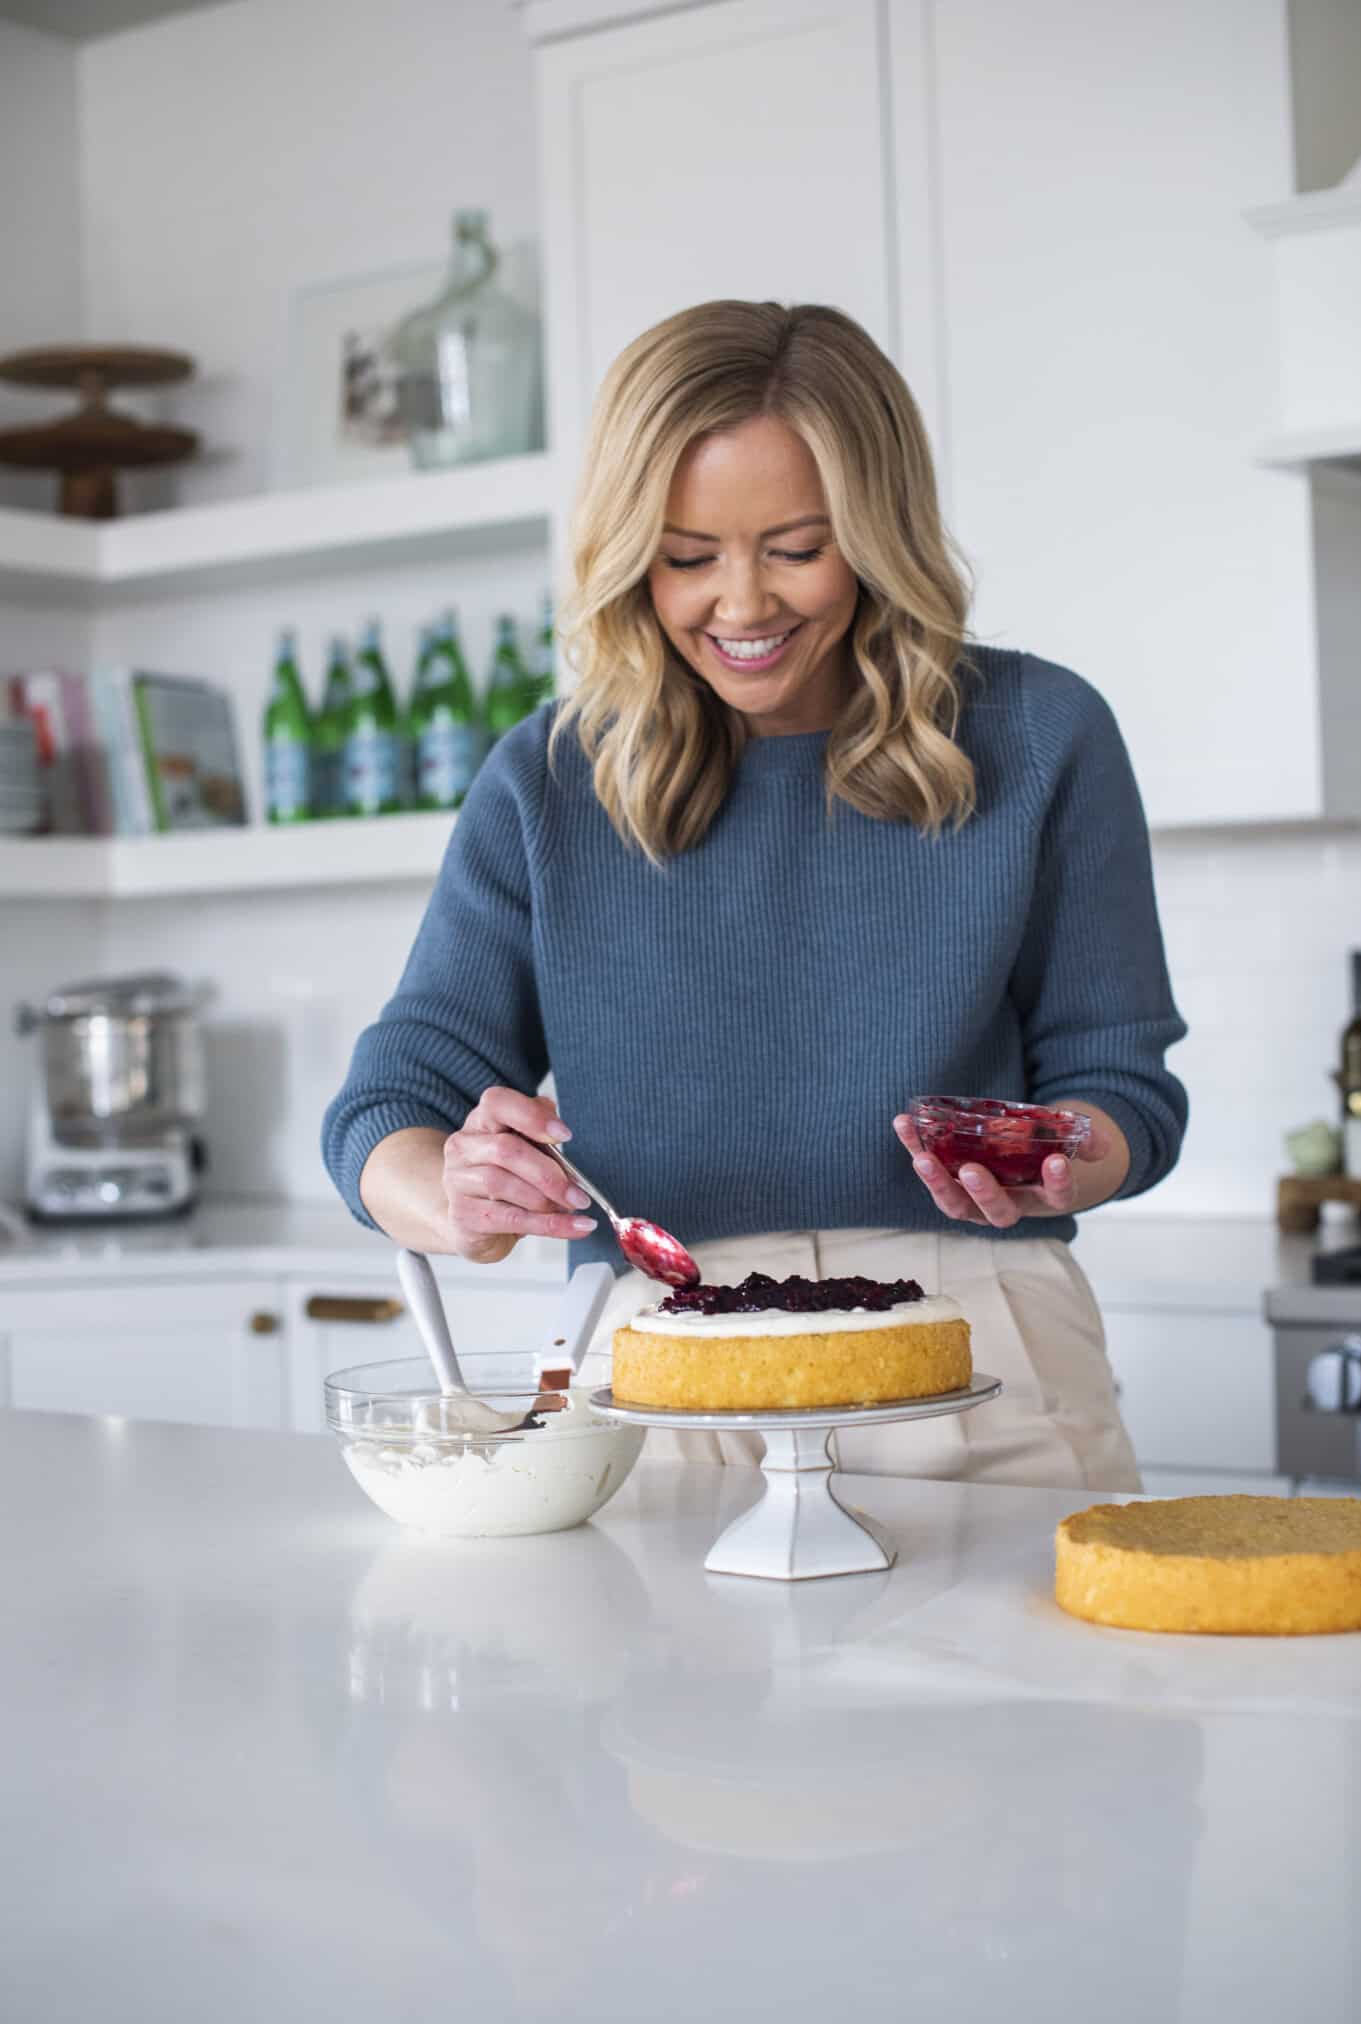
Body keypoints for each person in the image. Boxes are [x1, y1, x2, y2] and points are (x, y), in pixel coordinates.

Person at [322, 300, 1187, 1490]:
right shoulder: (549, 778)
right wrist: (457, 1195)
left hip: (970, 1333)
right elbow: (390, 1101)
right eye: (686, 556)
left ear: (878, 531)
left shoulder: (1040, 735)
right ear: (630, 552)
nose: (739, 604)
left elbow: (1119, 1081)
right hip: (652, 1367)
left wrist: (1066, 1155)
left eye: (794, 548)